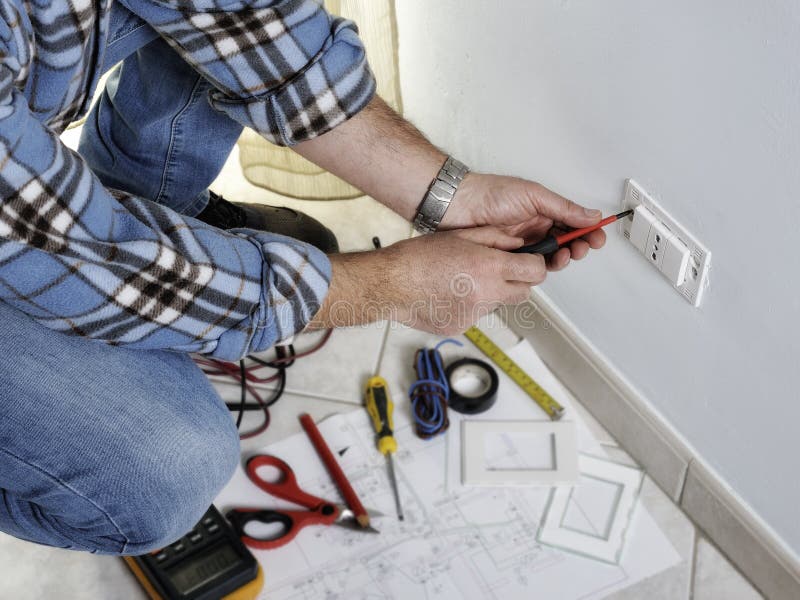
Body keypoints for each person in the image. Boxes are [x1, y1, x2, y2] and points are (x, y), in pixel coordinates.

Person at [0, 0, 606, 555]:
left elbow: (254, 27)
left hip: (31, 198)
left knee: (199, 39)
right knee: (166, 471)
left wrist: (452, 195)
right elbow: (77, 257)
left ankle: (165, 248)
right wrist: (387, 288)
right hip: (36, 238)